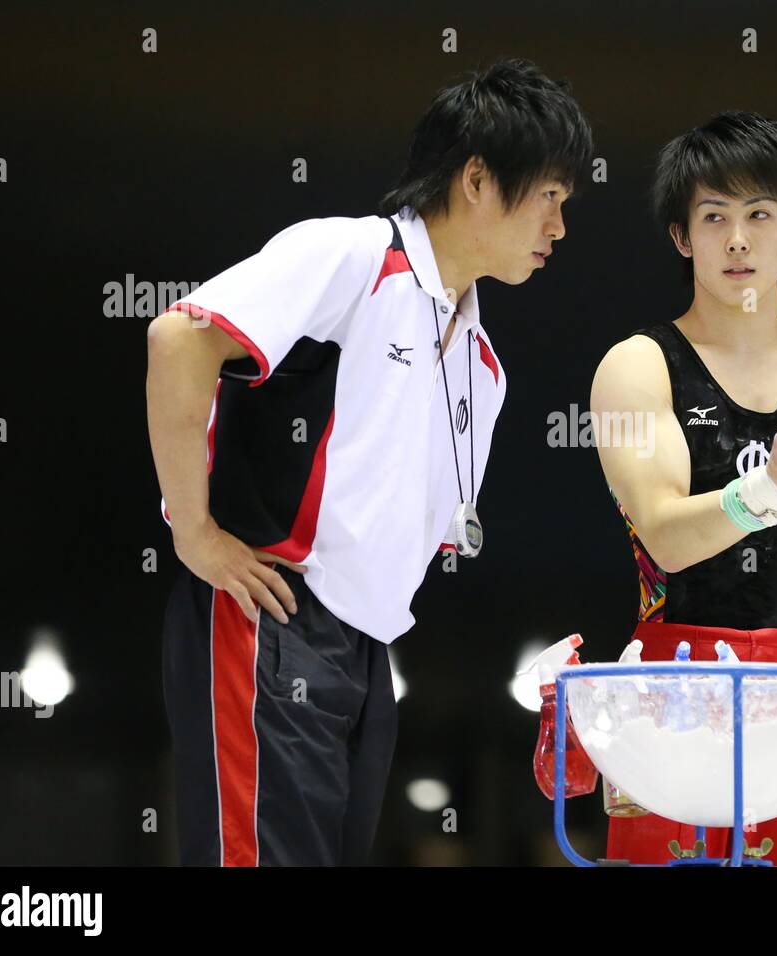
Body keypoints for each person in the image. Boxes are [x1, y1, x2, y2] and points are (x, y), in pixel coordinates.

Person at [146, 58, 592, 865]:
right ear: (477, 180)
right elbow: (179, 339)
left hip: (366, 654)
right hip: (266, 613)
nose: (559, 226)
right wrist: (194, 533)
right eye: (550, 196)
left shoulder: (483, 369)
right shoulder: (349, 256)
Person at [589, 110, 777, 866]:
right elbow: (665, 535)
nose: (736, 240)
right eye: (714, 217)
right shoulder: (638, 365)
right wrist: (773, 489)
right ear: (681, 236)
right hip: (669, 686)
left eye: (759, 215)